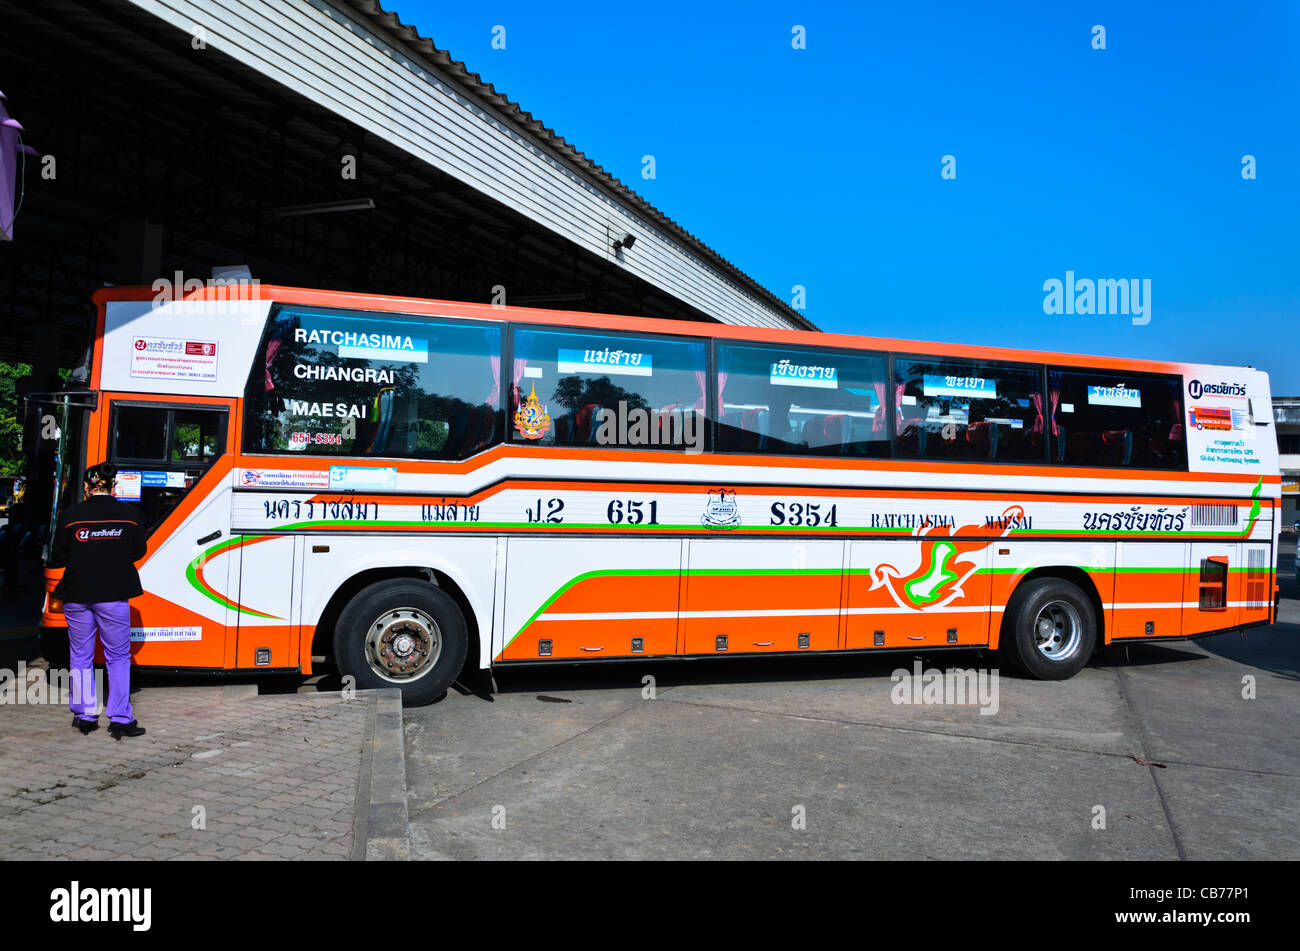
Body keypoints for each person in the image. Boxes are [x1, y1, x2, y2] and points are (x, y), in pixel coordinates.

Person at [47, 462, 148, 739]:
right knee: (118, 656)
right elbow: (138, 550)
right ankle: (120, 718)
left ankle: (85, 715)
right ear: (113, 486)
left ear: (86, 487)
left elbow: (58, 555)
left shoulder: (70, 516)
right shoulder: (130, 515)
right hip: (114, 594)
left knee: (80, 654)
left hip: (77, 593)